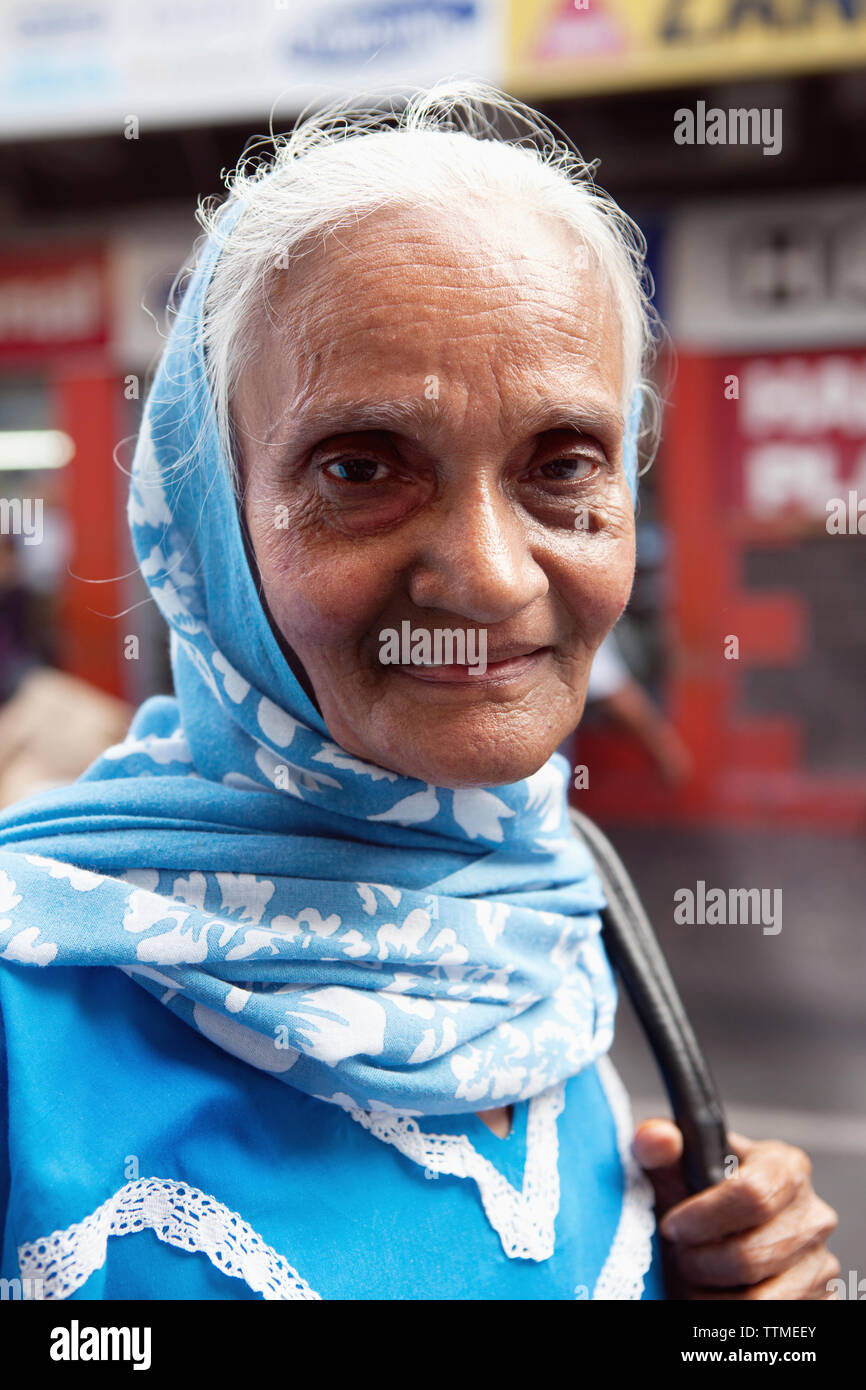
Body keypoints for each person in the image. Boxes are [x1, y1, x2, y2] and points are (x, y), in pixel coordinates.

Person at [0, 82, 838, 1301]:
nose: (493, 580)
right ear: (210, 519)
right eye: (360, 466)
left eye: (562, 466)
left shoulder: (549, 916)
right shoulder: (28, 1025)